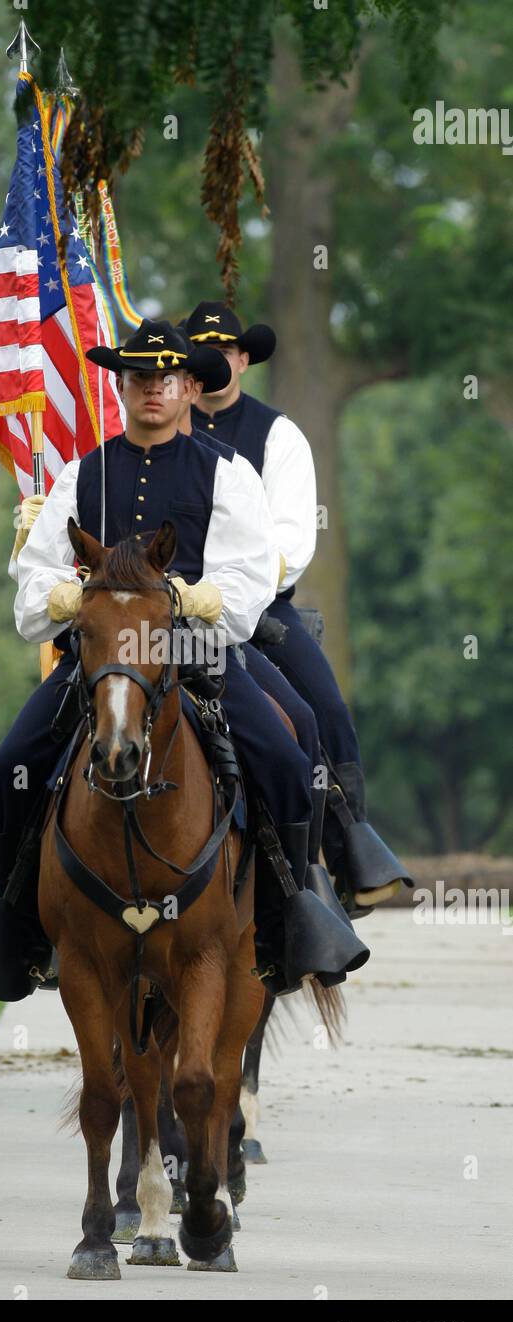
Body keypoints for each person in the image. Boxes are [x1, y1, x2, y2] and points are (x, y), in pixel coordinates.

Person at [0, 320, 368, 1002]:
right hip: (100, 662)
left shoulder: (228, 475)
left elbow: (253, 581)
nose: (153, 391)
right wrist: (64, 593)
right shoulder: (83, 473)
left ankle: (290, 919)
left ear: (189, 387)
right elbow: (32, 583)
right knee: (8, 767)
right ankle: (19, 929)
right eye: (140, 379)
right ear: (123, 386)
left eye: (166, 379)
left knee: (289, 757)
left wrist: (200, 599)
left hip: (197, 653)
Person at [186, 300, 412, 917]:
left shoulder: (277, 436)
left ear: (243, 360)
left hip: (258, 611)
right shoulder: (161, 434)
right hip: (164, 616)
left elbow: (292, 541)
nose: (215, 364)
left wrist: (230, 594)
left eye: (225, 353)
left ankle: (345, 853)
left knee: (325, 709)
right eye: (202, 354)